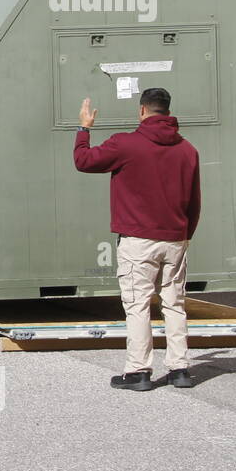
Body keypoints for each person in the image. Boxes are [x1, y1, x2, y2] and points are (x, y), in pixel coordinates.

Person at [74, 87, 201, 392]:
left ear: (142, 110)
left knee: (138, 305)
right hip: (175, 239)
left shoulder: (126, 144)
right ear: (167, 111)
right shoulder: (188, 150)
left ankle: (138, 372)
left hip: (138, 241)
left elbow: (84, 161)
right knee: (174, 304)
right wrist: (185, 236)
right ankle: (179, 370)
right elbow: (195, 202)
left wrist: (83, 128)